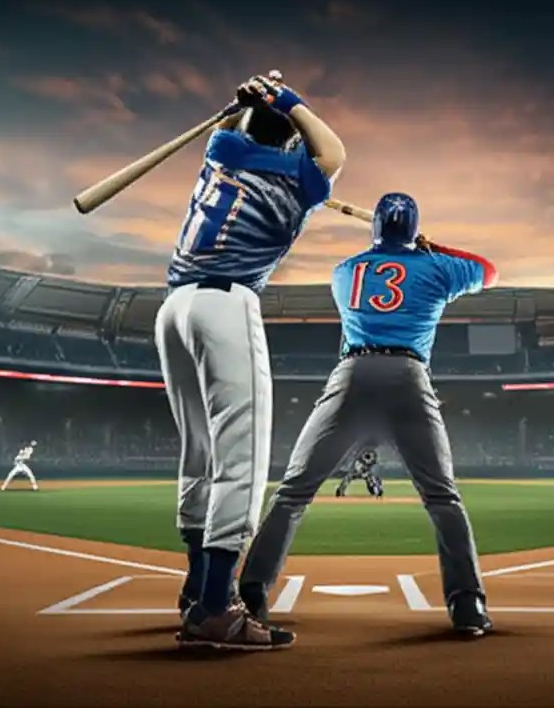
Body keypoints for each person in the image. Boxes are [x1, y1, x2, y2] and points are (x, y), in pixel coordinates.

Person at [239, 192, 498, 638]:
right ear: (414, 228)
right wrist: (435, 250)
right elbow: (489, 271)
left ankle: (251, 594)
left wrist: (414, 250)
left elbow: (380, 279)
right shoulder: (438, 268)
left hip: (353, 377)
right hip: (409, 378)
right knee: (442, 497)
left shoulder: (344, 271)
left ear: (376, 227)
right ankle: (467, 604)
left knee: (293, 492)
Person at [158, 73, 345, 651]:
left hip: (172, 309)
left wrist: (249, 103)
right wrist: (288, 101)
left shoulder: (221, 150)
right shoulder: (299, 176)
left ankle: (196, 591)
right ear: (287, 140)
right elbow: (334, 152)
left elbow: (232, 129)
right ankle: (218, 608)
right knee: (241, 460)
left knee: (201, 456)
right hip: (227, 303)